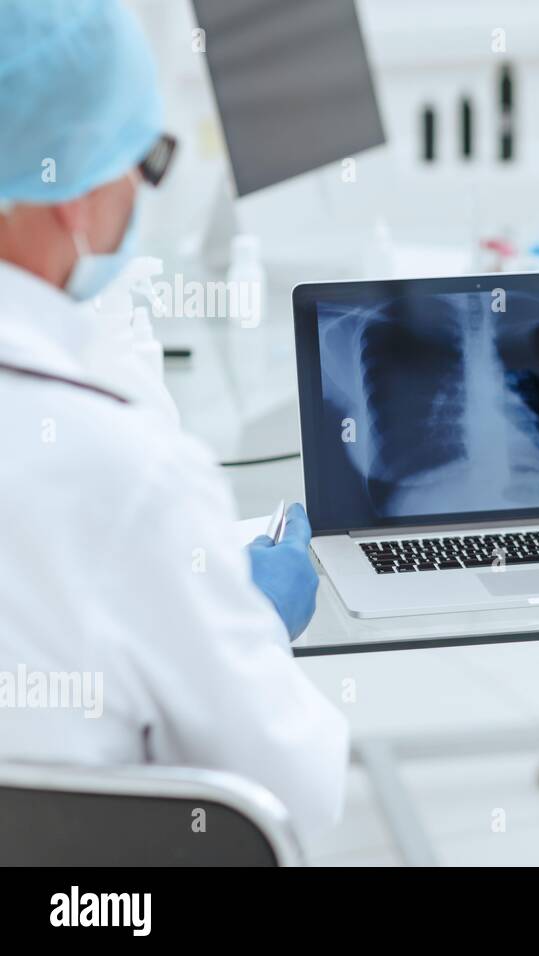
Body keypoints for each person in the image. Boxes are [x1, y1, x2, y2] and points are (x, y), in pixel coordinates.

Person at [0, 1, 346, 838]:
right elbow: (295, 808)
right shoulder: (120, 472)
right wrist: (256, 630)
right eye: (141, 162)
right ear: (76, 195)